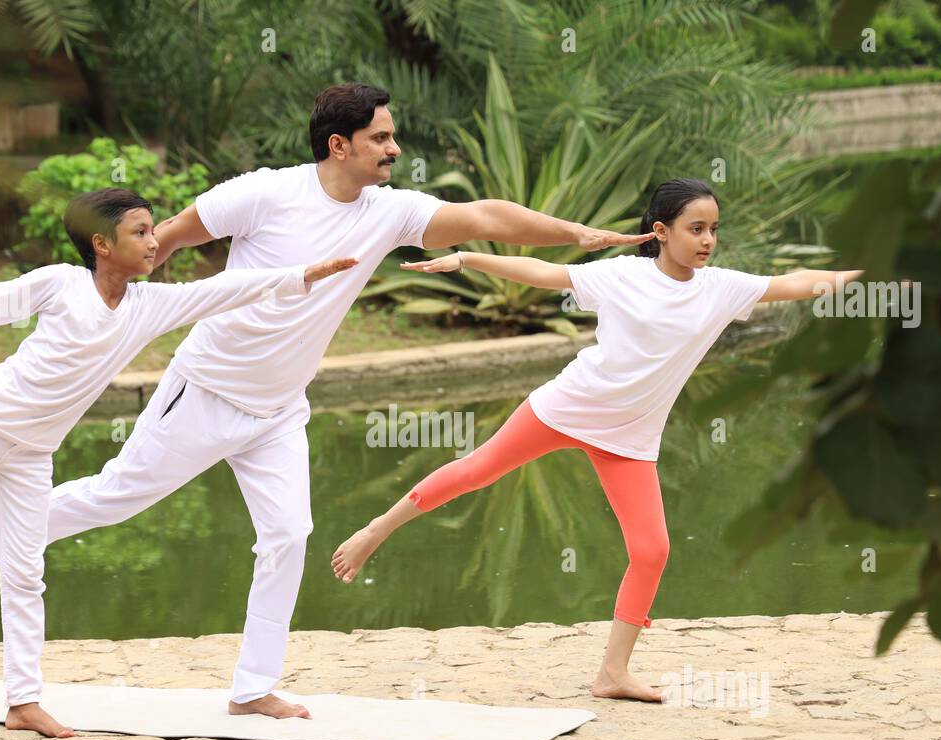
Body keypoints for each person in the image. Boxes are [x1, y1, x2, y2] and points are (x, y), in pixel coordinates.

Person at [0, 83, 652, 720]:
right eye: (381, 137)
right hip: (208, 388)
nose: (394, 149)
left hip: (279, 408)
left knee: (288, 535)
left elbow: (482, 215)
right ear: (339, 144)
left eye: (392, 137)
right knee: (117, 496)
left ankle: (253, 687)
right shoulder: (263, 194)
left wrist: (576, 235)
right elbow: (163, 246)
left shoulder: (390, 211)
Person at [0, 187, 355, 737]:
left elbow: (226, 291)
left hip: (32, 452)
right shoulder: (61, 283)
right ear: (102, 244)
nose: (156, 242)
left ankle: (23, 703)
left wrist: (303, 274)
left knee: (26, 570)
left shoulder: (148, 305)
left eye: (154, 230)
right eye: (141, 232)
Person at [331, 178, 864, 702]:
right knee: (475, 471)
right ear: (661, 230)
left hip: (630, 436)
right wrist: (471, 260)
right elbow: (545, 272)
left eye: (713, 230)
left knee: (652, 550)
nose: (707, 240)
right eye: (695, 228)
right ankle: (376, 531)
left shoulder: (721, 287)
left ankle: (613, 673)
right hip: (569, 406)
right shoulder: (623, 276)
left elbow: (795, 281)